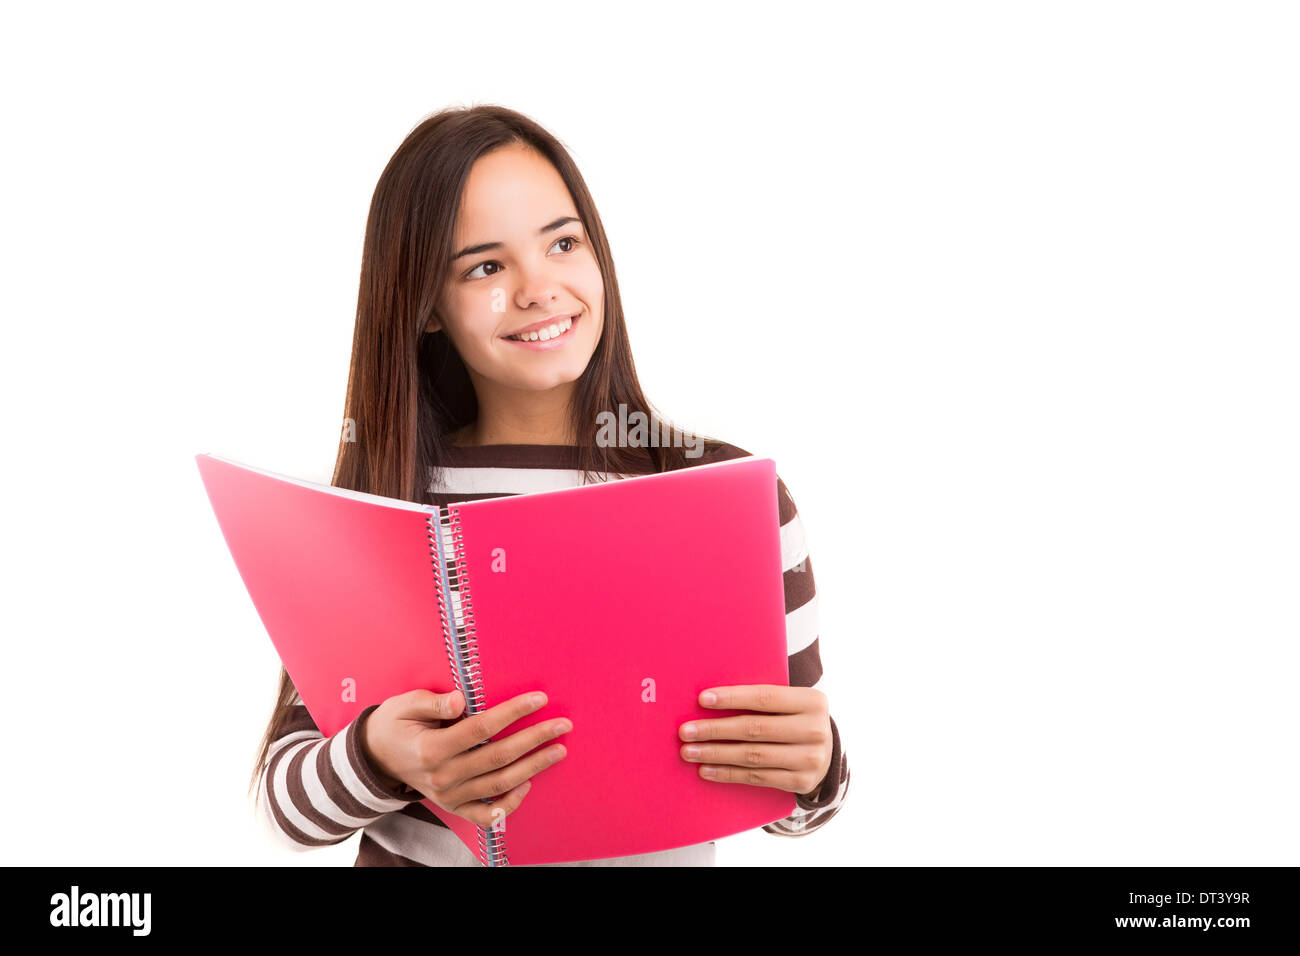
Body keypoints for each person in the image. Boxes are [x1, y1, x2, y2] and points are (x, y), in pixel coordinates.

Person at [249, 105, 850, 866]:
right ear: (427, 304)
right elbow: (286, 811)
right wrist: (375, 754)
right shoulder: (382, 505)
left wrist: (815, 766)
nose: (539, 289)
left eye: (563, 243)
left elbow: (797, 801)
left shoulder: (730, 497)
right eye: (486, 267)